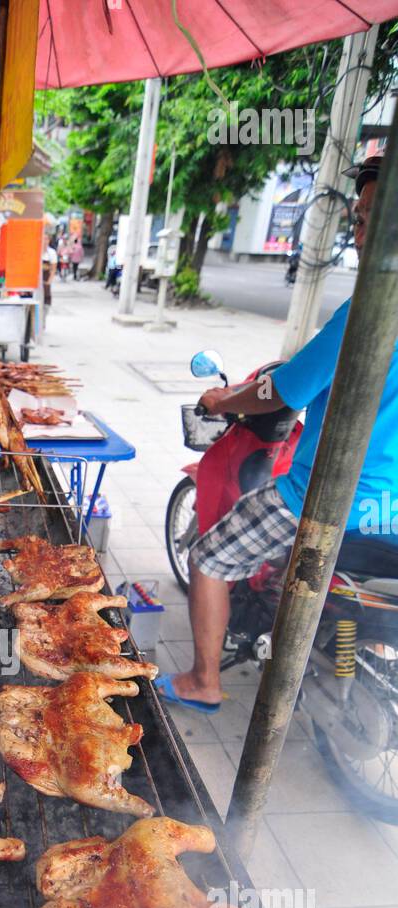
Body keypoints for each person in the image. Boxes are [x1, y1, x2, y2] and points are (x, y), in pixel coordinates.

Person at [156, 155, 398, 714]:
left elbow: (281, 392)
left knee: (209, 559)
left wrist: (222, 398)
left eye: (374, 219)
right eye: (358, 219)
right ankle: (334, 653)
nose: (361, 233)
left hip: (337, 497)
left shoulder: (370, 308)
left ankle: (203, 681)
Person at [42, 237, 58, 309]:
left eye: (46, 239)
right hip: (34, 280)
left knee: (46, 301)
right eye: (43, 239)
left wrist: (49, 281)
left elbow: (53, 269)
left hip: (46, 279)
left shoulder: (52, 252)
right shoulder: (35, 251)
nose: (45, 241)